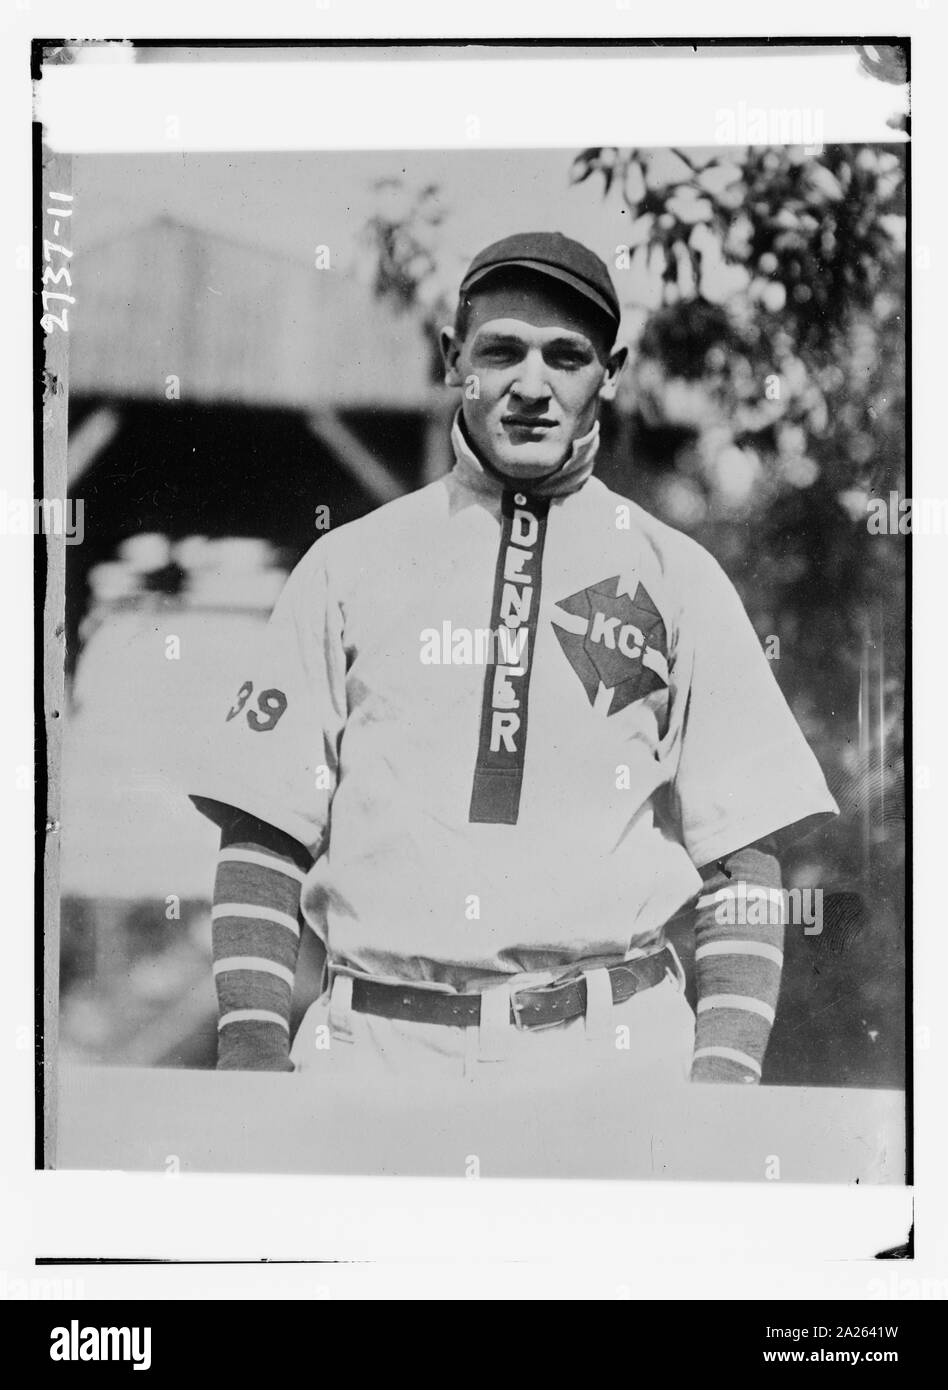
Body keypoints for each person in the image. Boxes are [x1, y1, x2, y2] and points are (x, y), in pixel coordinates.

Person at [190, 231, 838, 1089]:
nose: (532, 386)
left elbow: (743, 857)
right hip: (375, 1053)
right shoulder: (350, 565)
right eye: (502, 351)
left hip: (609, 1051)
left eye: (566, 357)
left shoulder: (676, 576)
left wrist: (722, 1084)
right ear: (456, 357)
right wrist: (248, 1057)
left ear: (610, 371)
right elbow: (264, 831)